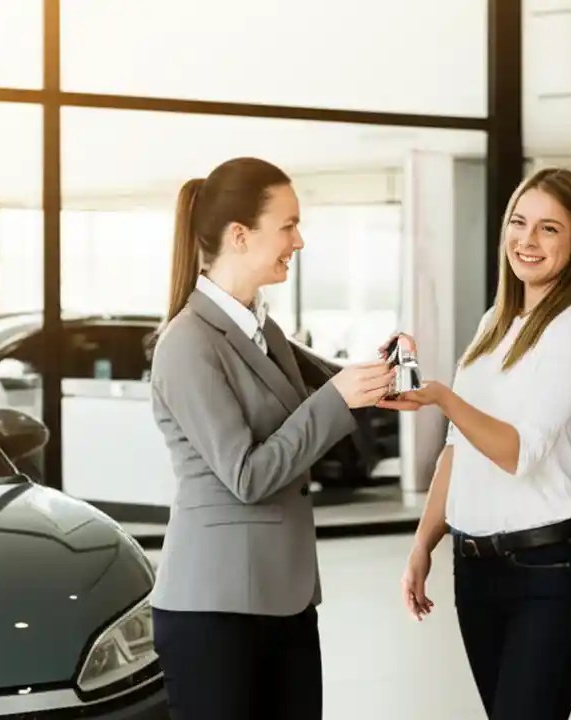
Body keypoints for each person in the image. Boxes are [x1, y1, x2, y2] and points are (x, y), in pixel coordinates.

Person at [147, 157, 395, 720]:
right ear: (239, 235)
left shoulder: (263, 329)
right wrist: (339, 398)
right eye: (288, 225)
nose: (299, 241)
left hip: (281, 599)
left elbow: (327, 388)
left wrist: (380, 370)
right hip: (215, 610)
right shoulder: (188, 343)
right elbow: (247, 475)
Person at [383, 167, 571, 719]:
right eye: (519, 222)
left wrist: (441, 396)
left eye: (549, 229)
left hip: (551, 570)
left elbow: (519, 452)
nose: (527, 241)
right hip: (478, 569)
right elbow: (458, 449)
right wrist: (422, 544)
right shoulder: (494, 323)